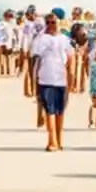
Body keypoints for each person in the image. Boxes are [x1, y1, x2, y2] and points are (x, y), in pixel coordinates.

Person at [31, 11, 73, 151]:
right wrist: (32, 81)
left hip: (61, 78)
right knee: (49, 111)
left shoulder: (64, 39)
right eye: (48, 22)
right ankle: (52, 140)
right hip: (45, 78)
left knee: (60, 111)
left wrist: (72, 78)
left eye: (53, 22)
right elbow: (34, 60)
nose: (50, 25)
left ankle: (59, 140)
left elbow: (71, 59)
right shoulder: (40, 39)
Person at [0, 10, 15, 76]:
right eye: (9, 16)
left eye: (10, 16)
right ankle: (5, 70)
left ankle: (6, 70)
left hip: (4, 42)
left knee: (5, 56)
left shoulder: (1, 23)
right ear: (5, 17)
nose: (10, 18)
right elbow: (4, 33)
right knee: (5, 56)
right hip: (4, 42)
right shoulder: (4, 24)